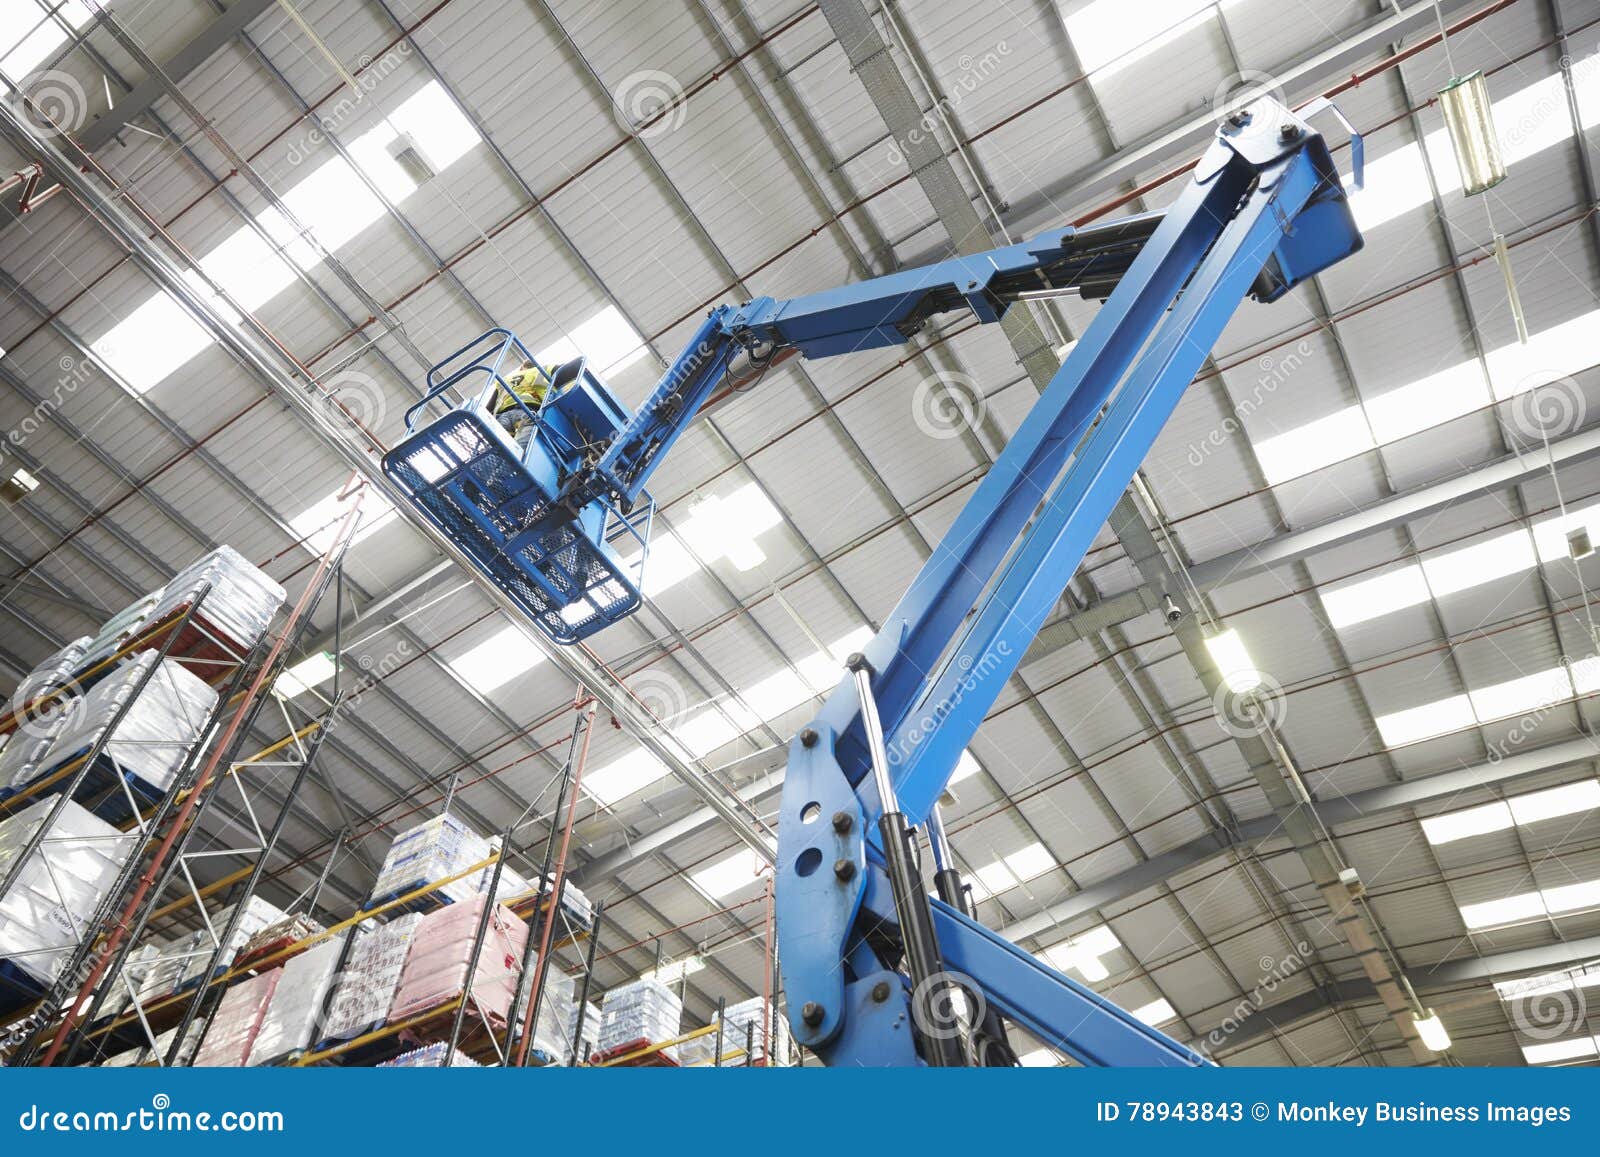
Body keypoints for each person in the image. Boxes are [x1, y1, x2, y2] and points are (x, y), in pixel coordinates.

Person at [494, 360, 550, 452]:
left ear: (521, 368)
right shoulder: (537, 372)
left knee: (497, 447)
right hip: (526, 412)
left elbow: (490, 406)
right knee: (520, 450)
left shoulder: (504, 380)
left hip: (504, 415)